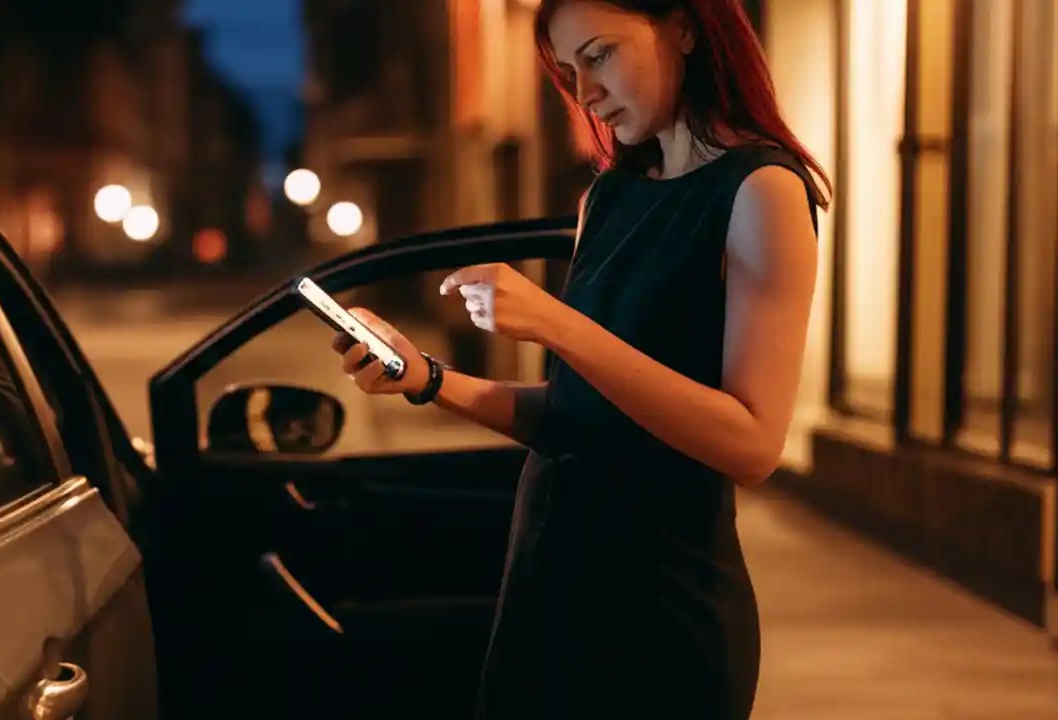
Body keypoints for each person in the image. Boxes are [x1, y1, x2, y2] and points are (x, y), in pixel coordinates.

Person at [329, 0, 829, 716]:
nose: (585, 92)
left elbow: (751, 445)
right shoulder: (612, 195)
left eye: (599, 55)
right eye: (570, 70)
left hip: (660, 615)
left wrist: (559, 326)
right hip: (544, 592)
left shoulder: (762, 192)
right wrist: (428, 379)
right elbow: (573, 416)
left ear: (684, 26)